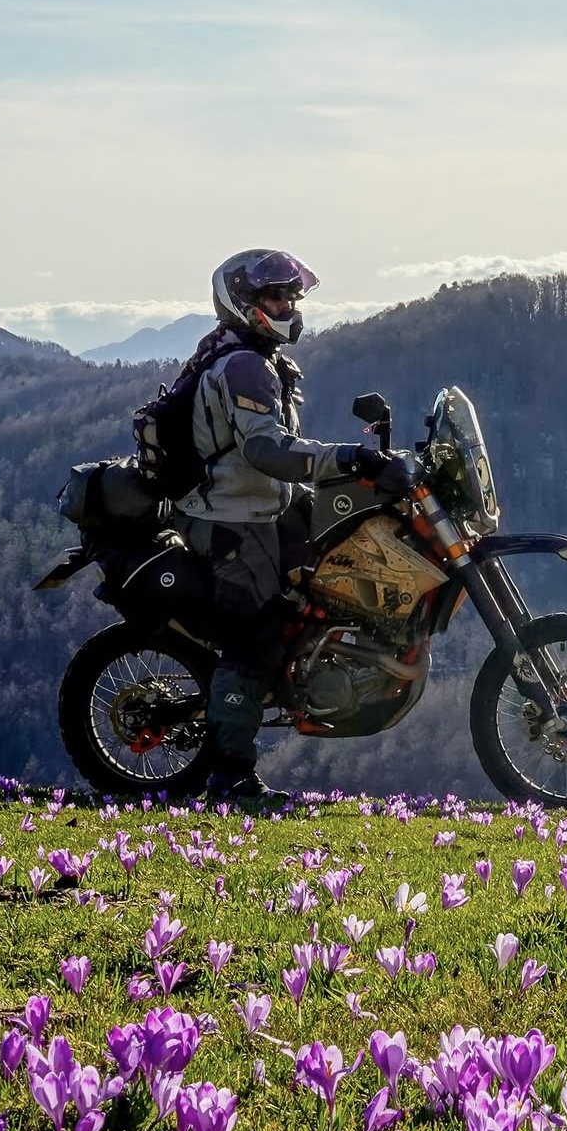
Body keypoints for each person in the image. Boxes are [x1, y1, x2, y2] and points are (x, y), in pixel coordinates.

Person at [173, 249, 416, 798]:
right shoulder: (243, 366)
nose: (287, 306)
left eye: (290, 296)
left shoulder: (262, 360)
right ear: (244, 304)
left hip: (264, 505)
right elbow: (265, 451)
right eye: (274, 297)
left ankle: (314, 661)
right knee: (252, 637)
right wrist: (348, 460)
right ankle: (230, 775)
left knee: (334, 563)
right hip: (231, 518)